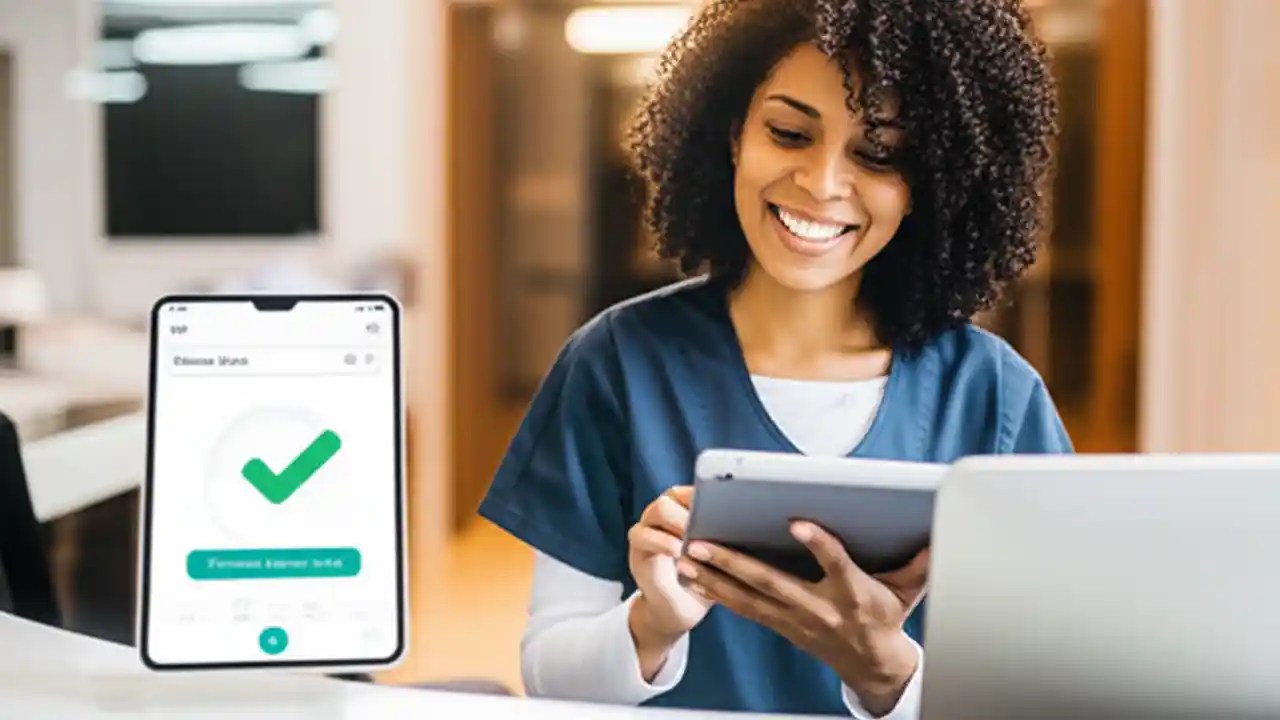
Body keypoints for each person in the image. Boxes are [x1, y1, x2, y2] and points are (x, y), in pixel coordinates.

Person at [477, 0, 1067, 716]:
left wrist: (889, 674)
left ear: (930, 183)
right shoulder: (616, 364)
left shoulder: (994, 398)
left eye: (879, 154)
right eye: (789, 133)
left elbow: (1039, 694)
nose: (821, 184)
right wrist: (651, 622)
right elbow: (551, 683)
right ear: (733, 133)